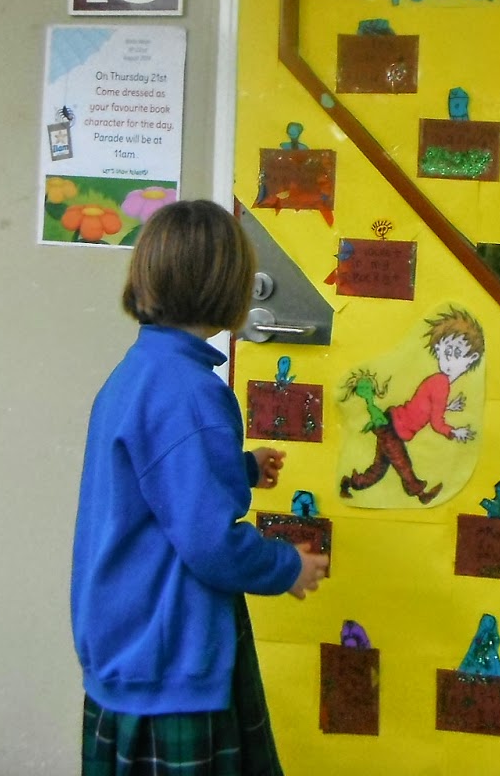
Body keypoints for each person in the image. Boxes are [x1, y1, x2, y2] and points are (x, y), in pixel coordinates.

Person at [71, 198, 329, 776]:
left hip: (126, 642)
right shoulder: (192, 393)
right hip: (171, 653)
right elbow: (210, 542)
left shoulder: (137, 375)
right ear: (229, 290)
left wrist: (239, 469)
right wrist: (287, 568)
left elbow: (158, 489)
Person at [340, 305, 481, 504]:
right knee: (403, 465)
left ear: (471, 359)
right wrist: (454, 432)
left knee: (379, 469)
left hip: (390, 424)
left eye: (457, 352)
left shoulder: (439, 381)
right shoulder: (441, 382)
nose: (450, 358)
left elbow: (424, 404)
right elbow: (435, 422)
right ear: (439, 348)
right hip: (394, 429)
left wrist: (449, 407)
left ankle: (350, 483)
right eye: (447, 350)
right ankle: (420, 494)